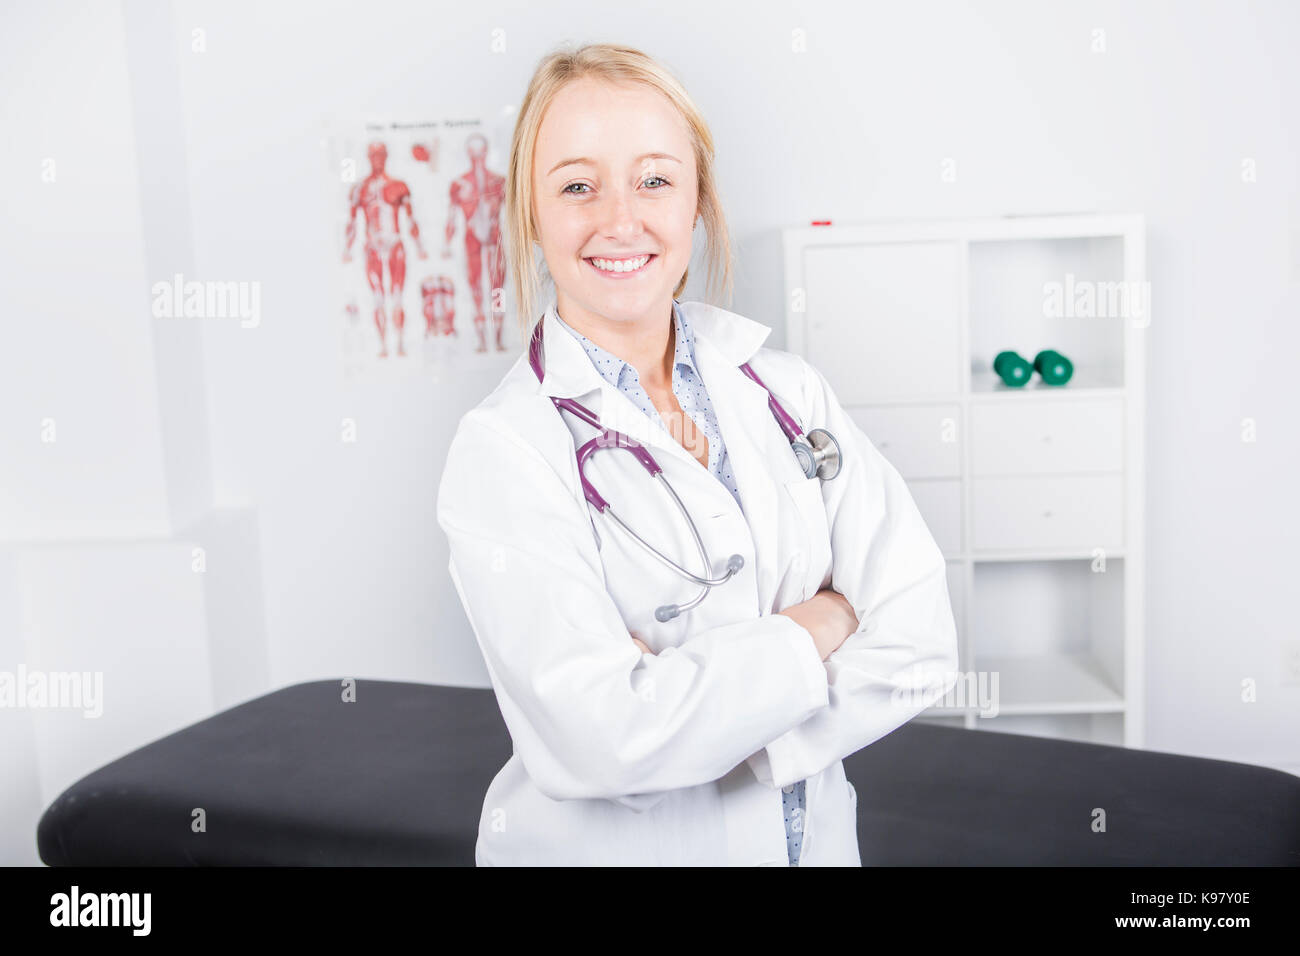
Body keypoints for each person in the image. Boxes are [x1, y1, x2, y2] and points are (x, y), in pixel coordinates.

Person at [436, 42, 959, 866]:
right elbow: (606, 739)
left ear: (697, 202)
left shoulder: (786, 392)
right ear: (531, 213)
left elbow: (921, 644)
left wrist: (704, 719)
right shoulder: (505, 449)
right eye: (578, 186)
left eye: (654, 179)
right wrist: (824, 619)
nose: (620, 219)